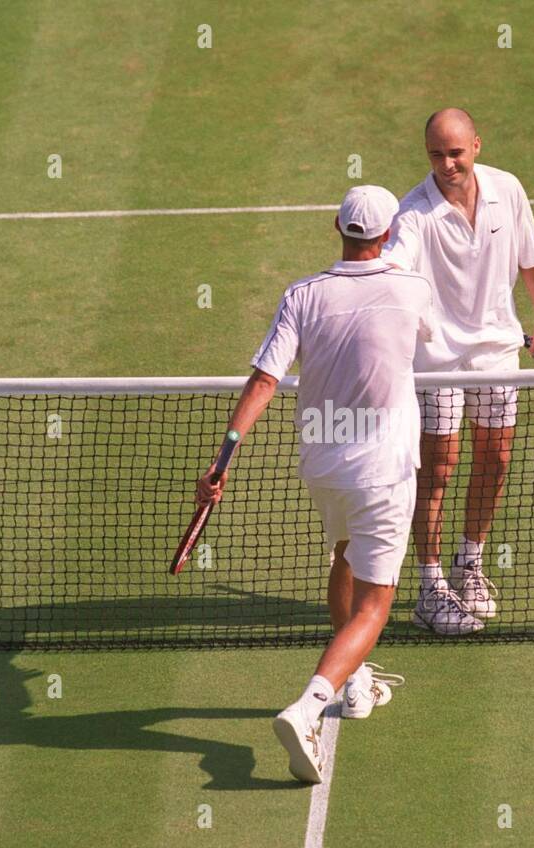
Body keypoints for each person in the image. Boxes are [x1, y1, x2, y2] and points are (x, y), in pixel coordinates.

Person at [195, 185, 432, 784]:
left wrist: (222, 460)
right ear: (386, 233)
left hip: (324, 466)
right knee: (376, 605)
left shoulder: (302, 294)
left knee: (345, 554)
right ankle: (309, 706)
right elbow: (433, 341)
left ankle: (355, 683)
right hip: (383, 469)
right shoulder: (411, 288)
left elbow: (264, 382)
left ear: (337, 226)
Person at [382, 108, 534, 634]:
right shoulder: (413, 215)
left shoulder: (508, 190)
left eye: (455, 152)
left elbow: (531, 256)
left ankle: (469, 564)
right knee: (438, 468)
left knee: (496, 458)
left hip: (498, 350)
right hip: (437, 360)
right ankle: (431, 586)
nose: (447, 163)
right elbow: (393, 272)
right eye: (436, 154)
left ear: (476, 145)